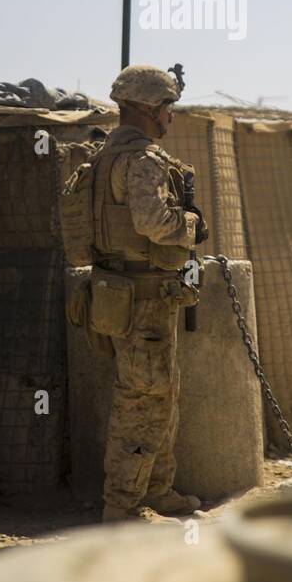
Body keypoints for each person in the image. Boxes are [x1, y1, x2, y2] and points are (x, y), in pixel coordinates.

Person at [92, 64, 207, 522]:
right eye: (167, 106)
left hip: (128, 293)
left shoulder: (106, 154)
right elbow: (153, 223)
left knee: (161, 394)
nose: (171, 116)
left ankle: (157, 488)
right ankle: (121, 505)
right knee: (140, 402)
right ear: (146, 109)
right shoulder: (143, 160)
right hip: (141, 298)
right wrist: (193, 226)